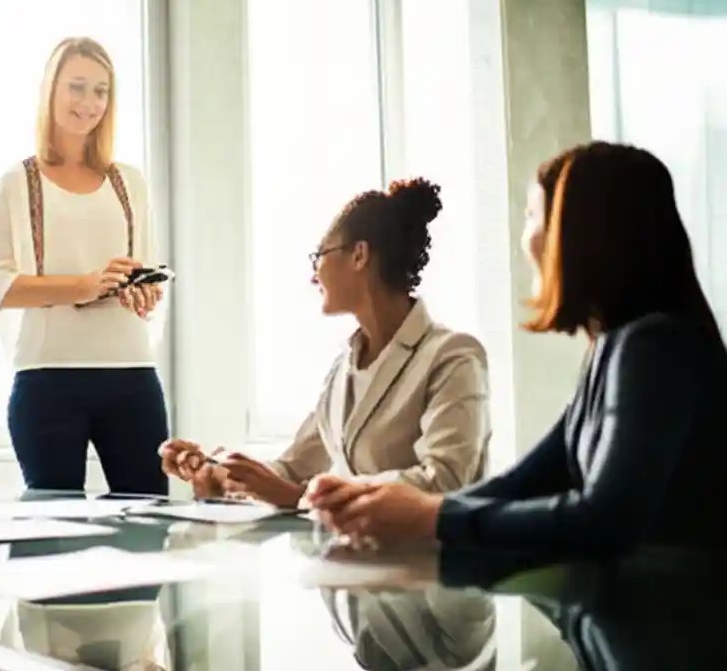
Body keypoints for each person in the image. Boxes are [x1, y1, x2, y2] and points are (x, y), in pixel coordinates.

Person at [306, 141, 727, 561]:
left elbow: (603, 520)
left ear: (578, 233)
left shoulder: (653, 348)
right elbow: (523, 483)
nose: (525, 239)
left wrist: (431, 517)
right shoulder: (613, 350)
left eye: (532, 216)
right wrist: (381, 502)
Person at [160, 179, 491, 508]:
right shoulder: (343, 367)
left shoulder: (453, 356)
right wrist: (216, 469)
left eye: (318, 256)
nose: (313, 275)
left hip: (425, 543)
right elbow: (290, 469)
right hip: (348, 543)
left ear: (359, 255)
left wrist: (306, 496)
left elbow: (446, 481)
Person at [0, 37, 169, 495]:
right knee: (53, 524)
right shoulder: (18, 182)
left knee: (148, 516)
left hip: (132, 374)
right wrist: (82, 287)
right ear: (52, 89)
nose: (89, 103)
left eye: (101, 91)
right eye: (77, 87)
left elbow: (145, 270)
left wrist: (144, 291)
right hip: (48, 377)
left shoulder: (130, 182)